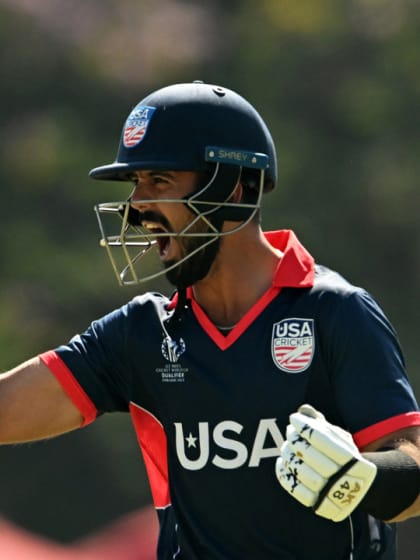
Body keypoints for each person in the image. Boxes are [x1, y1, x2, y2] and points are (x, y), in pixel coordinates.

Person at [1, 81, 419, 560]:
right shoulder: (139, 335)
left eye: (158, 181)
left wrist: (364, 478)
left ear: (234, 187)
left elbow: (412, 461)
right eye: (135, 184)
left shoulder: (336, 313)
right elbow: (7, 408)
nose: (138, 207)